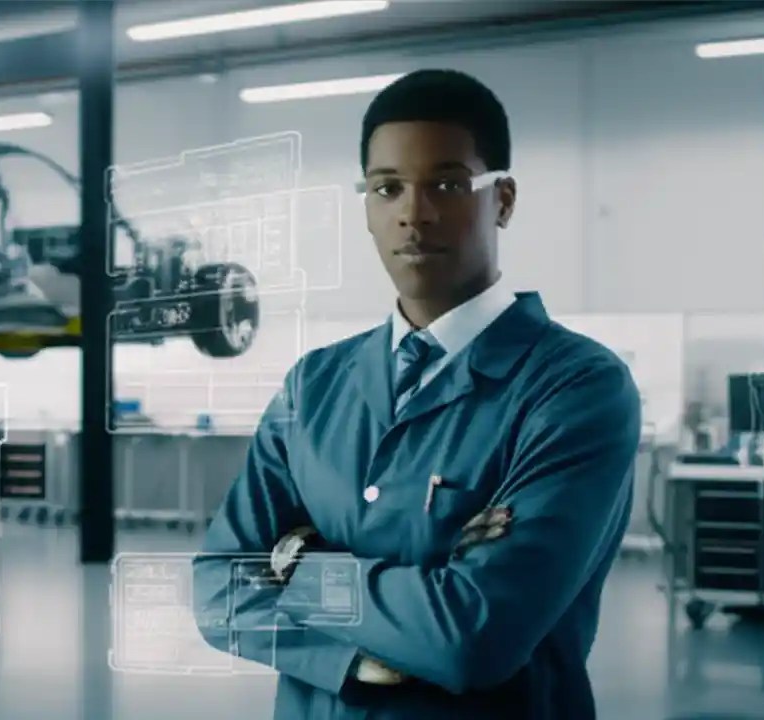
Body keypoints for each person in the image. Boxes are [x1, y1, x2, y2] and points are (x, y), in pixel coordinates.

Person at [192, 68, 642, 719]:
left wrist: (297, 563)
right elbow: (218, 588)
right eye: (387, 188)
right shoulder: (314, 385)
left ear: (504, 200)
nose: (413, 211)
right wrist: (343, 659)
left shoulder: (574, 387)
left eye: (448, 184)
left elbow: (473, 636)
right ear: (368, 207)